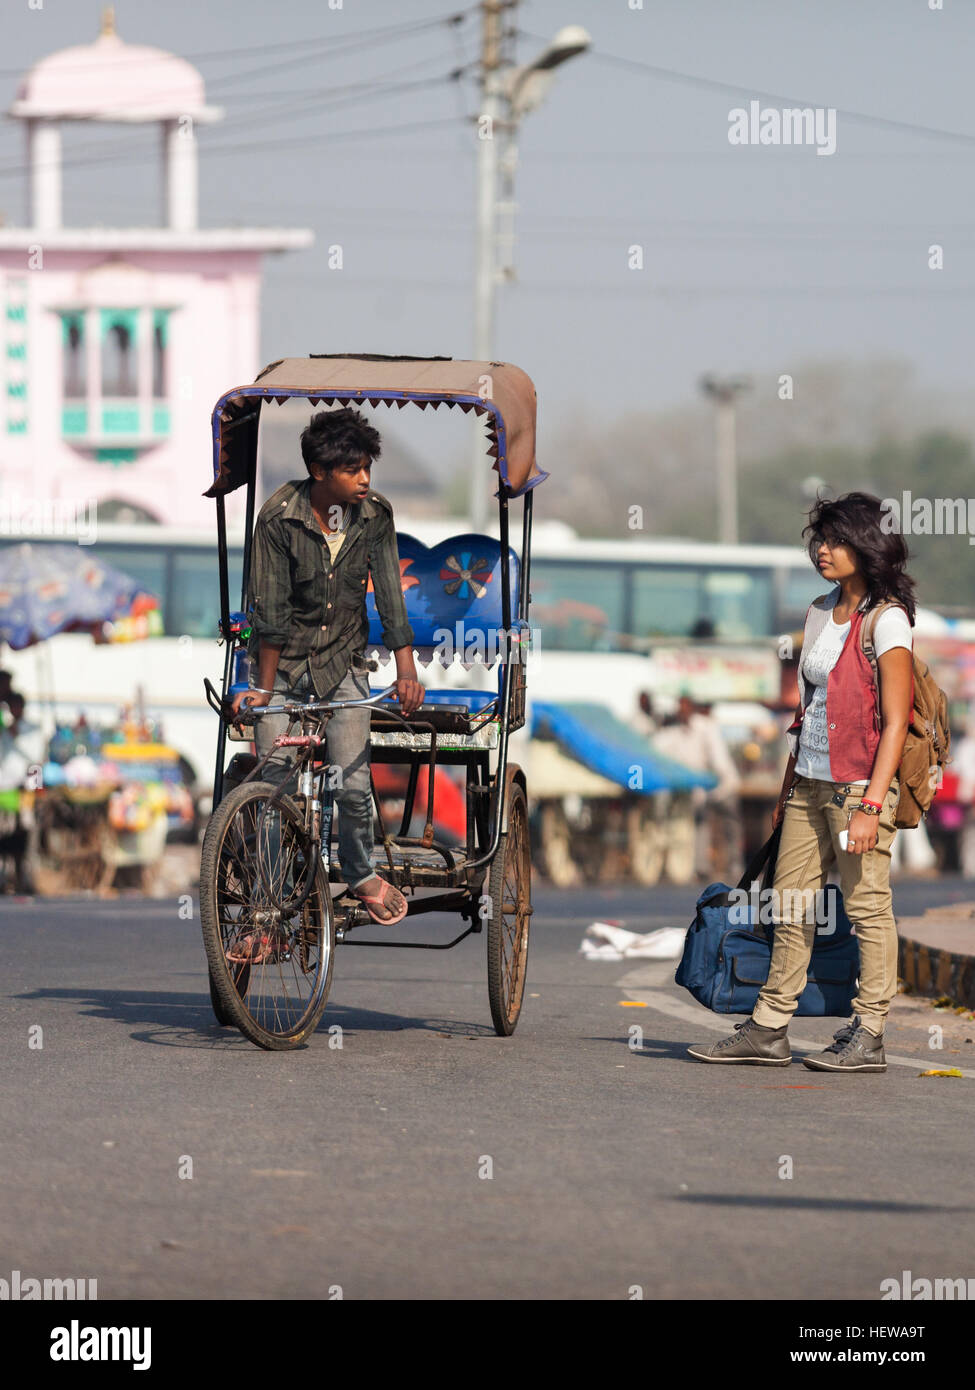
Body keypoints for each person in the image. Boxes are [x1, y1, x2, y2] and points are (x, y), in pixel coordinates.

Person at [689, 491, 915, 1073]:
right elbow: (808, 710)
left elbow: (895, 722)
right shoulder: (819, 610)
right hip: (810, 784)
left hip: (859, 786)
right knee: (790, 907)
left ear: (866, 547)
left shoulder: (887, 621)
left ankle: (869, 1031)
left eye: (837, 541)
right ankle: (769, 1029)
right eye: (819, 539)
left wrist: (870, 805)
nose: (823, 550)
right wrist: (788, 788)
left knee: (867, 909)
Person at [230, 407, 424, 957]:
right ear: (319, 472)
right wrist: (264, 693)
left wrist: (407, 672)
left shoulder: (374, 515)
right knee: (271, 794)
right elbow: (267, 614)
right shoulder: (277, 518)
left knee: (353, 784)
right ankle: (266, 915)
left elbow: (390, 593)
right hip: (282, 667)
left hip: (344, 665)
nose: (365, 480)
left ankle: (359, 874)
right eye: (353, 470)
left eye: (368, 469)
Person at [653, 691, 742, 879]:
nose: (682, 712)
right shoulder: (673, 732)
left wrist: (711, 781)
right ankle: (700, 867)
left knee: (730, 822)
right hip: (698, 788)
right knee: (699, 821)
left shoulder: (706, 728)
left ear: (692, 709)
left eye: (685, 707)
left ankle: (735, 864)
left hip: (722, 783)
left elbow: (719, 761)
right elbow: (659, 751)